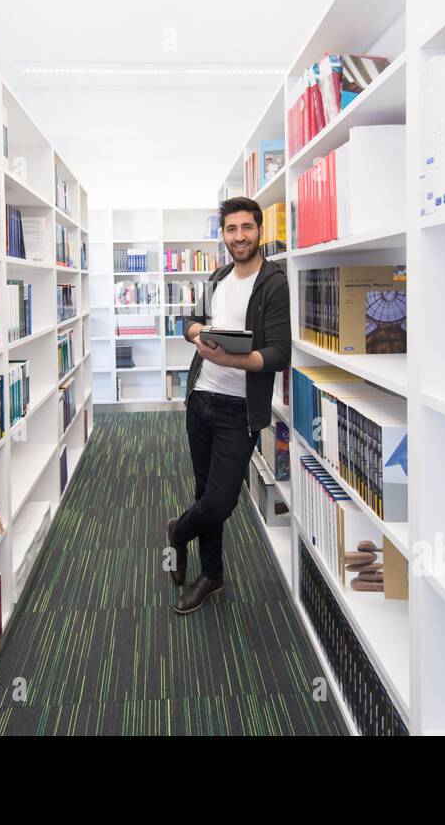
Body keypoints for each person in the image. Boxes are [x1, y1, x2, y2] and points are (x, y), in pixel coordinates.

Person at [167, 196, 291, 614]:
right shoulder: (217, 277)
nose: (239, 236)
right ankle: (212, 574)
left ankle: (179, 531)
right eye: (231, 229)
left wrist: (231, 358)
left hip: (239, 409)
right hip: (200, 398)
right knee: (205, 490)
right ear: (223, 235)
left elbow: (277, 355)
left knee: (220, 501)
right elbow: (188, 321)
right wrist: (197, 331)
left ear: (259, 231)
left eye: (246, 228)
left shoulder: (274, 283)